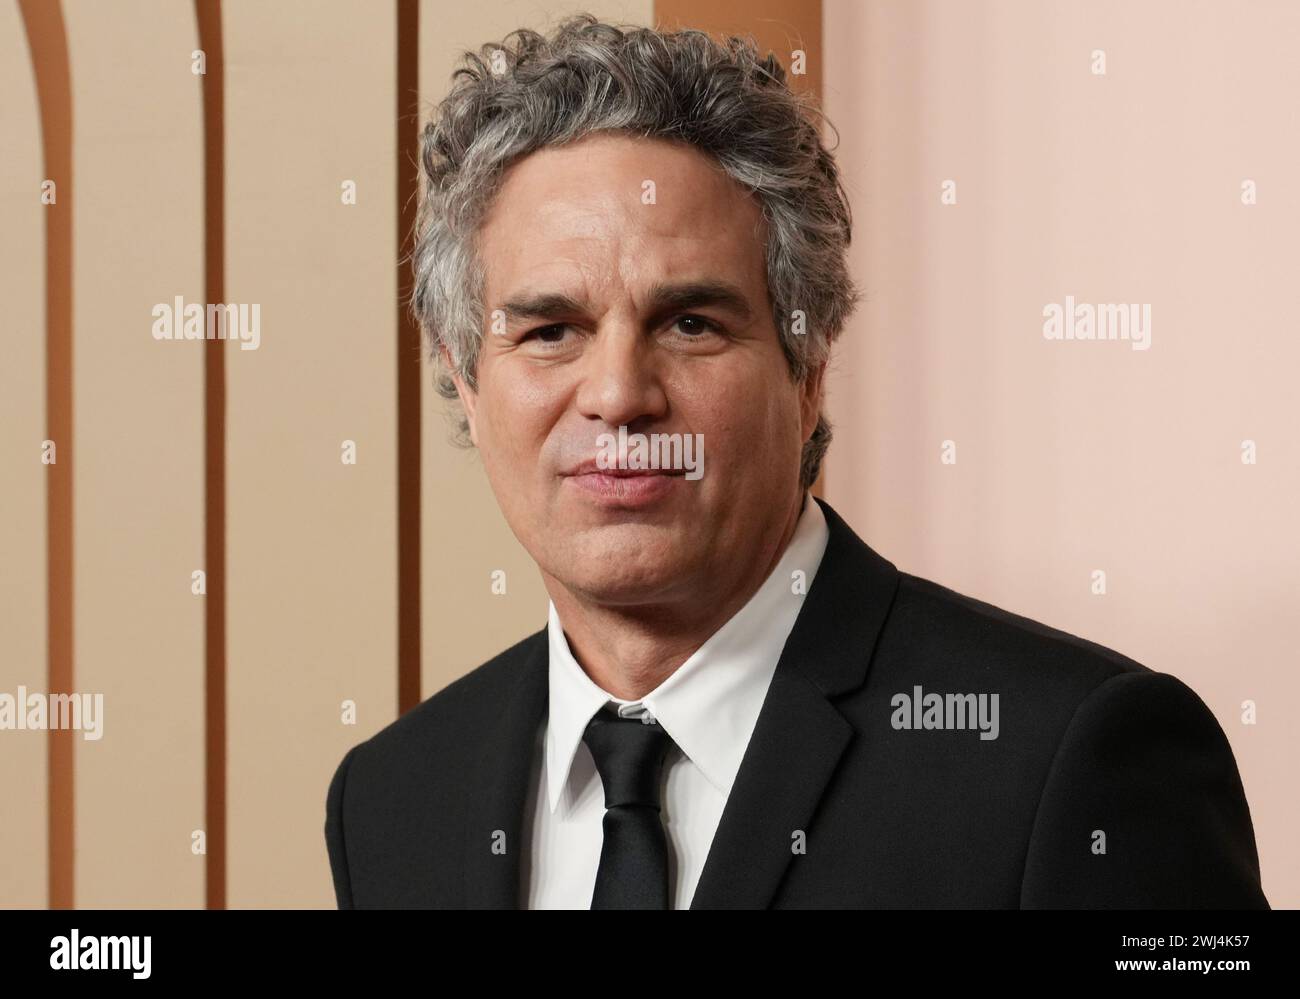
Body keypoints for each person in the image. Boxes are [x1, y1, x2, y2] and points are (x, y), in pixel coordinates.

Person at [324, 14, 1267, 909]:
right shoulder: (394, 800)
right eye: (550, 329)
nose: (618, 393)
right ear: (466, 381)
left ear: (809, 365)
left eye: (690, 323)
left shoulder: (1074, 758)